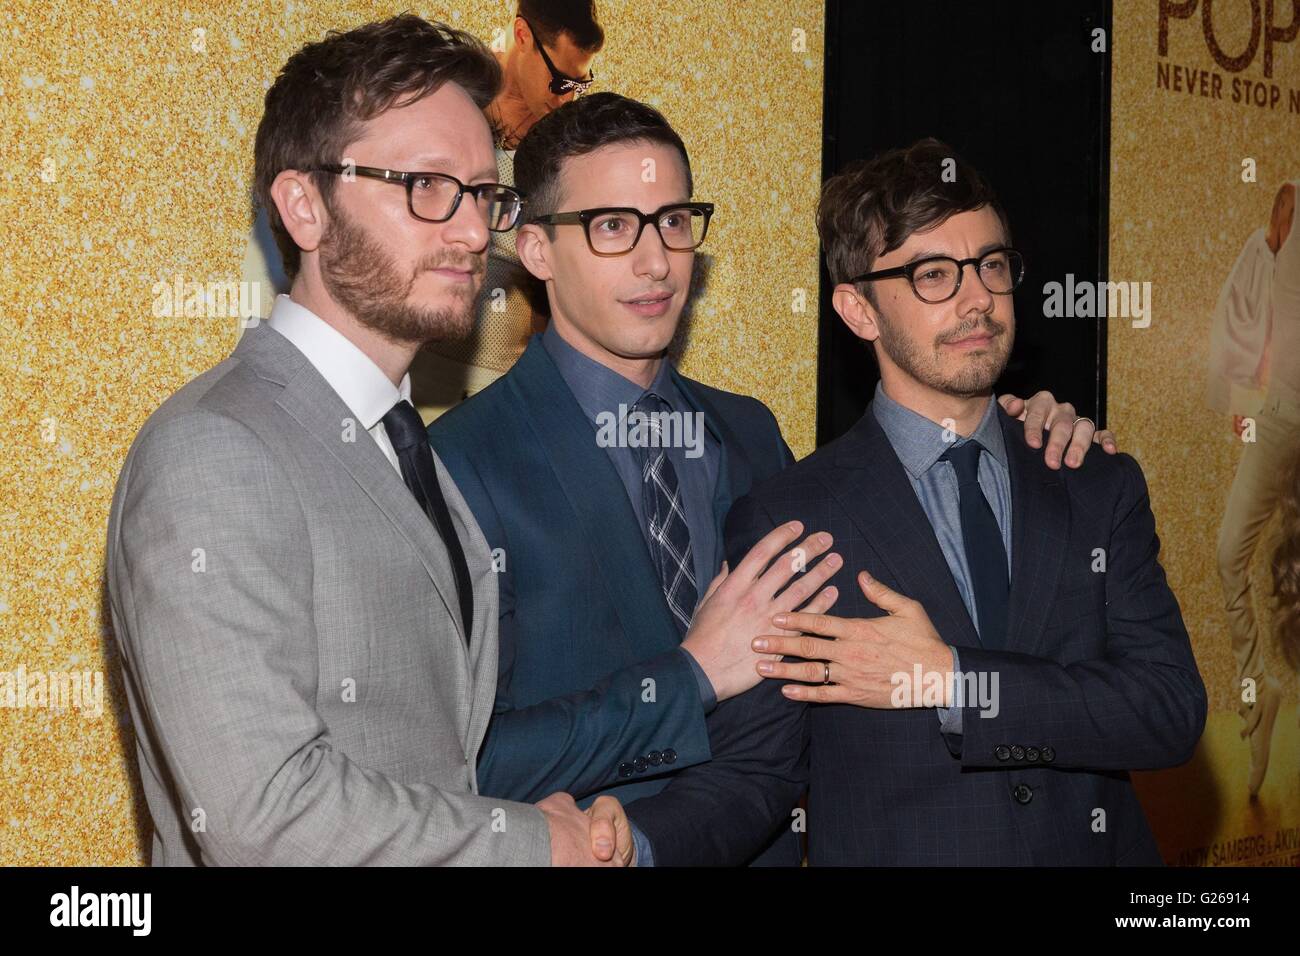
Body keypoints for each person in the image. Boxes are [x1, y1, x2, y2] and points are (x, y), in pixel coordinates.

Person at [430, 99, 1121, 865]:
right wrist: (689, 679)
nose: (656, 261)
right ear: (536, 250)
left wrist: (1012, 436)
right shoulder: (458, 463)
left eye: (674, 222)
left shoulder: (751, 433)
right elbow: (457, 760)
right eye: (613, 226)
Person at [105, 15, 630, 866]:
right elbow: (260, 815)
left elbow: (426, 759)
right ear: (303, 206)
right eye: (426, 187)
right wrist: (535, 844)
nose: (471, 233)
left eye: (483, 195)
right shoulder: (214, 453)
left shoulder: (409, 447)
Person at [728, 138, 1207, 865]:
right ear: (858, 310)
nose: (978, 296)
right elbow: (756, 779)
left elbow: (1169, 713)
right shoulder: (791, 518)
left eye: (991, 265)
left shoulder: (1093, 479)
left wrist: (952, 679)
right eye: (933, 274)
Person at [416, 1, 606, 418]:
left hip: (502, 386)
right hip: (411, 369)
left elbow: (557, 284)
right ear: (522, 36)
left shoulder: (560, 149)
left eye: (580, 84)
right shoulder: (452, 100)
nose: (566, 100)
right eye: (559, 82)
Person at [1213, 178, 1299, 795]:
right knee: (1229, 556)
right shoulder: (1290, 201)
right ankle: (1258, 687)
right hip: (1283, 418)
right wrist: (1247, 400)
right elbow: (1249, 306)